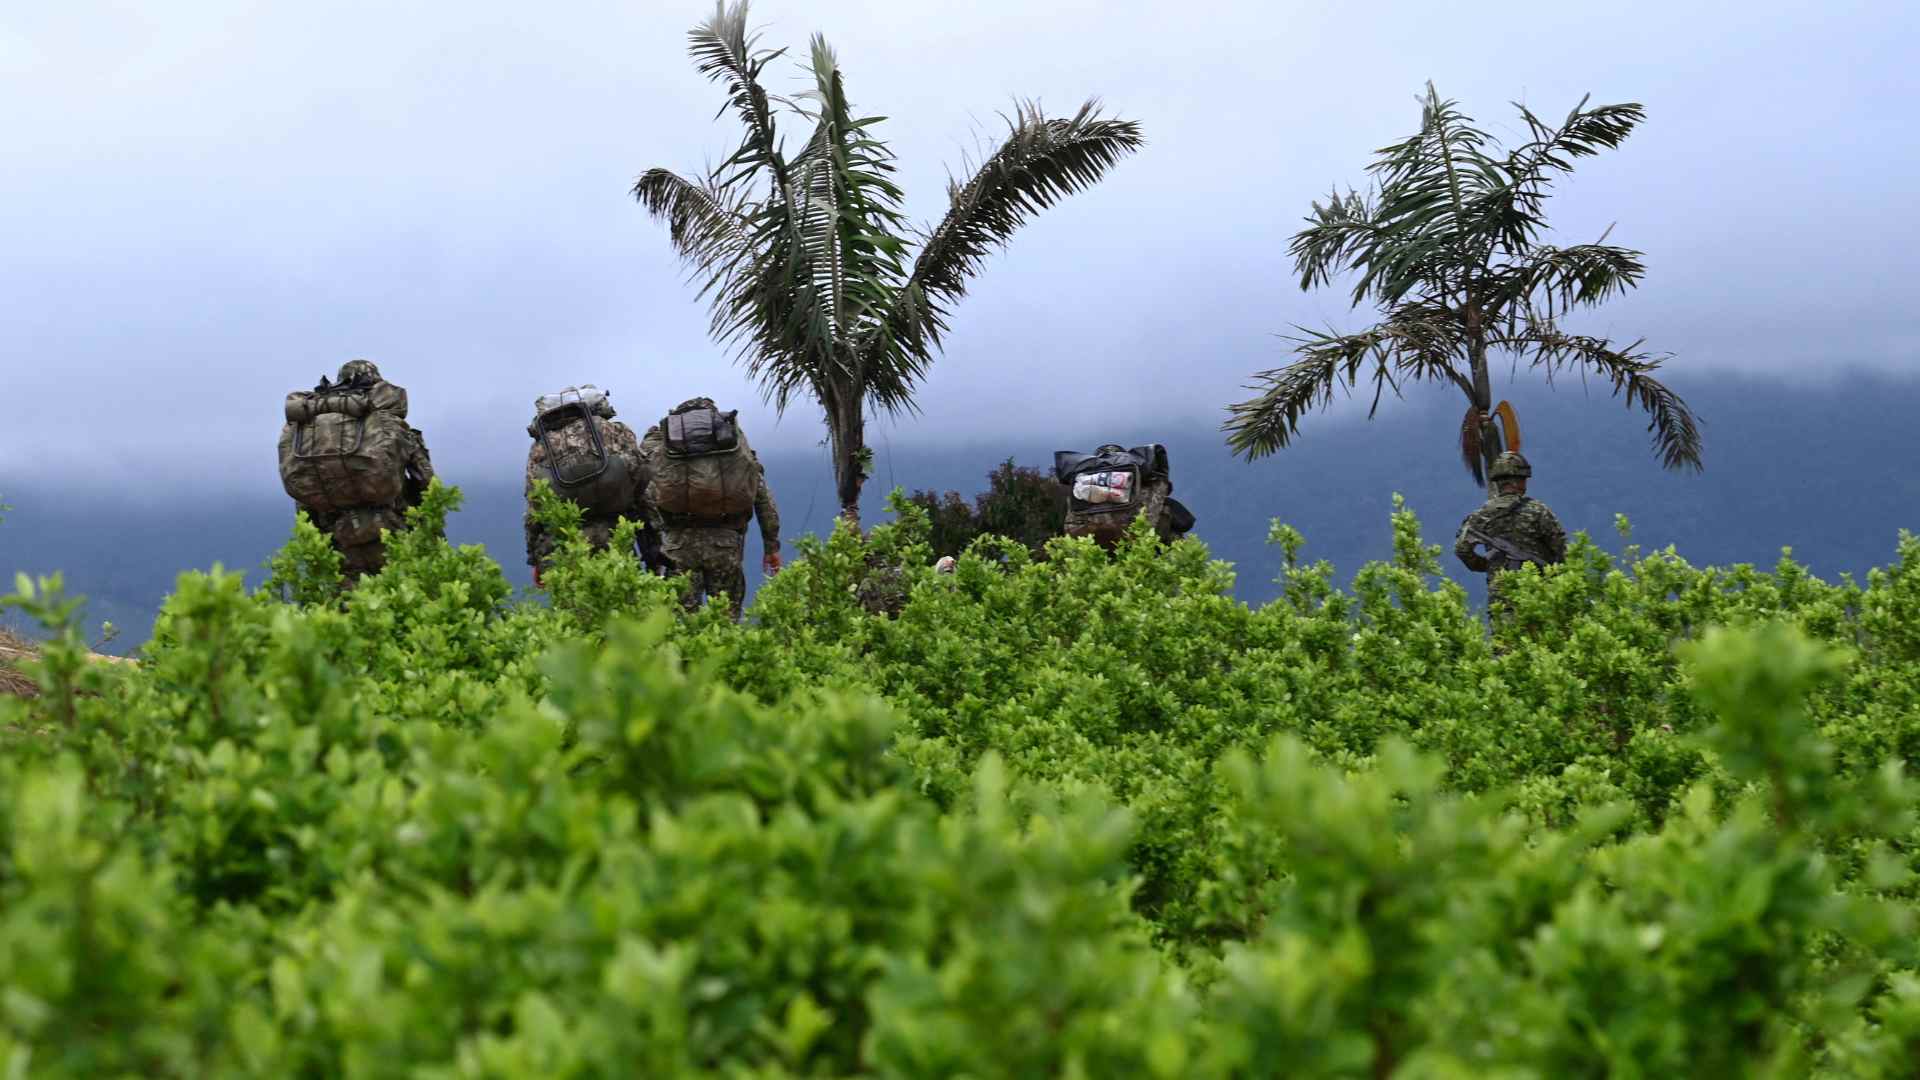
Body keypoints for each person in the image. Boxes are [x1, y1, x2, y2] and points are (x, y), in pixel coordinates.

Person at [278, 359, 435, 584]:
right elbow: (426, 482)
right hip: (393, 528)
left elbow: (303, 491)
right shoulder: (387, 422)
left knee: (351, 601)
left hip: (338, 535)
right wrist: (426, 526)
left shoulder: (309, 429)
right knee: (404, 595)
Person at [640, 397, 780, 619]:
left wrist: (656, 541)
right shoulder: (733, 447)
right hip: (725, 543)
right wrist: (771, 547)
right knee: (726, 618)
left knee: (682, 620)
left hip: (678, 545)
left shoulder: (667, 446)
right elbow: (762, 497)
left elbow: (648, 493)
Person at [523, 385, 666, 586]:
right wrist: (654, 547)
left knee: (575, 601)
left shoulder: (540, 447)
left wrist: (536, 559)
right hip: (616, 537)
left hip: (568, 544)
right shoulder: (614, 431)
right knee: (622, 599)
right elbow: (643, 488)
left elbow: (535, 508)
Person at [1454, 450, 1567, 614]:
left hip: (1501, 601)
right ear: (1518, 481)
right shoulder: (1538, 511)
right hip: (1538, 598)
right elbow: (1563, 551)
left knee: (1504, 630)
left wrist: (1488, 565)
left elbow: (1462, 549)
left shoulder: (1480, 516)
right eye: (1524, 480)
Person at [1055, 443, 1190, 548]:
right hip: (1136, 537)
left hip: (1086, 538)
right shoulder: (1141, 484)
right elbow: (1186, 523)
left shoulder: (1080, 487)